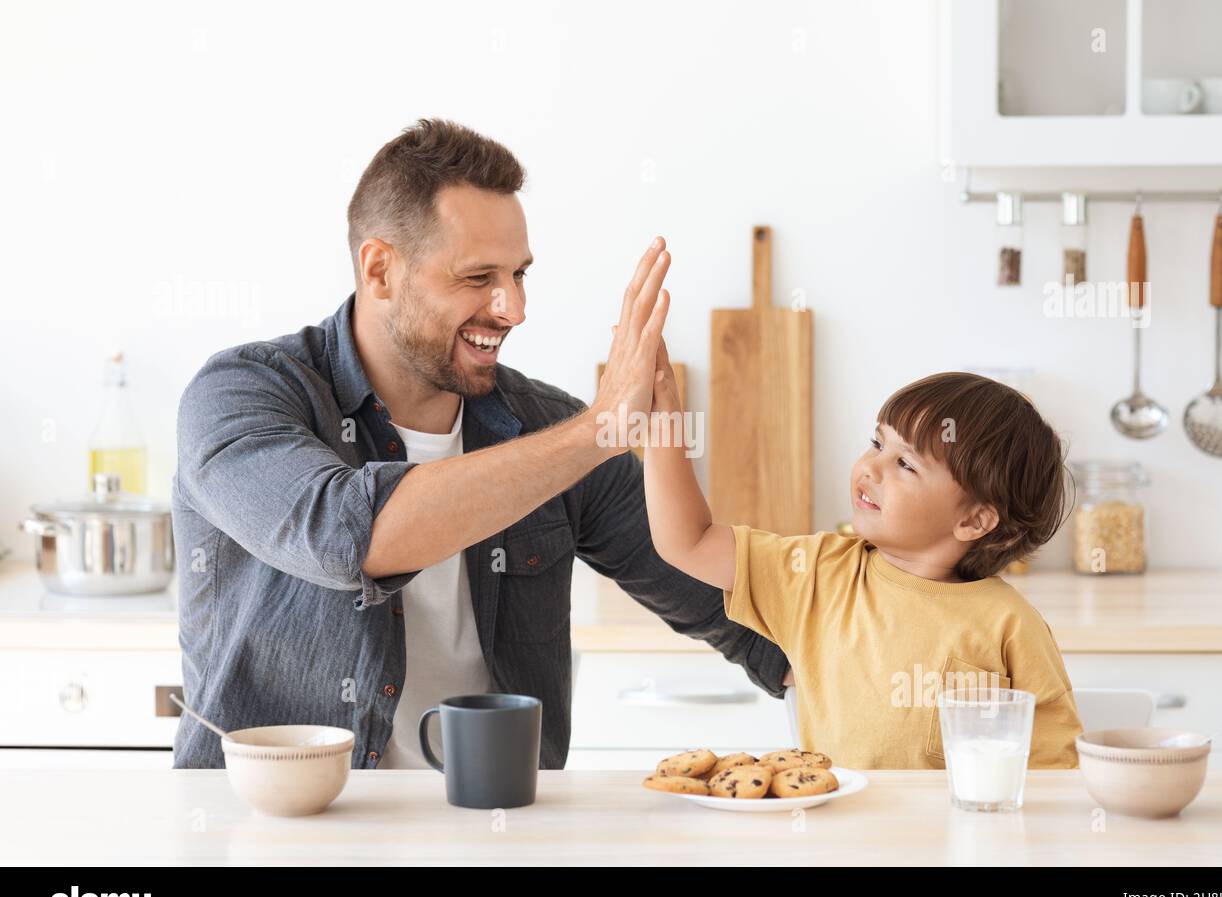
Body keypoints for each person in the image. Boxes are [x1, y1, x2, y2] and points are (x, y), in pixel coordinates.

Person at [171, 118, 790, 770]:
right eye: (478, 278)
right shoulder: (240, 395)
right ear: (380, 271)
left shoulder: (547, 427)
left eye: (520, 273)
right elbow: (346, 536)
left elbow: (730, 610)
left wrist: (872, 624)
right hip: (276, 831)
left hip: (491, 828)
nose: (514, 307)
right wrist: (600, 430)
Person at [644, 366, 1084, 769]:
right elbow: (690, 541)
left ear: (973, 520)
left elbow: (1055, 774)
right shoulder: (817, 572)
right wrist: (663, 419)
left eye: (905, 464)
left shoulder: (1011, 625)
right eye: (877, 443)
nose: (870, 468)